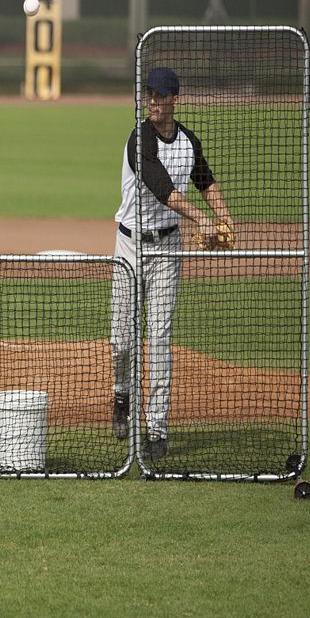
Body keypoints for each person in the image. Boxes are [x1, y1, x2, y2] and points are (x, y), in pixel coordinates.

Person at [111, 66, 233, 461]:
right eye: (149, 94)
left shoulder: (188, 142)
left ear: (174, 99)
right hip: (130, 246)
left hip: (167, 250)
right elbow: (162, 189)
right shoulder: (139, 138)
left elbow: (205, 180)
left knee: (159, 337)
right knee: (121, 340)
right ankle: (121, 397)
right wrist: (203, 220)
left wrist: (227, 218)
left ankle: (157, 428)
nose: (153, 101)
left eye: (160, 96)